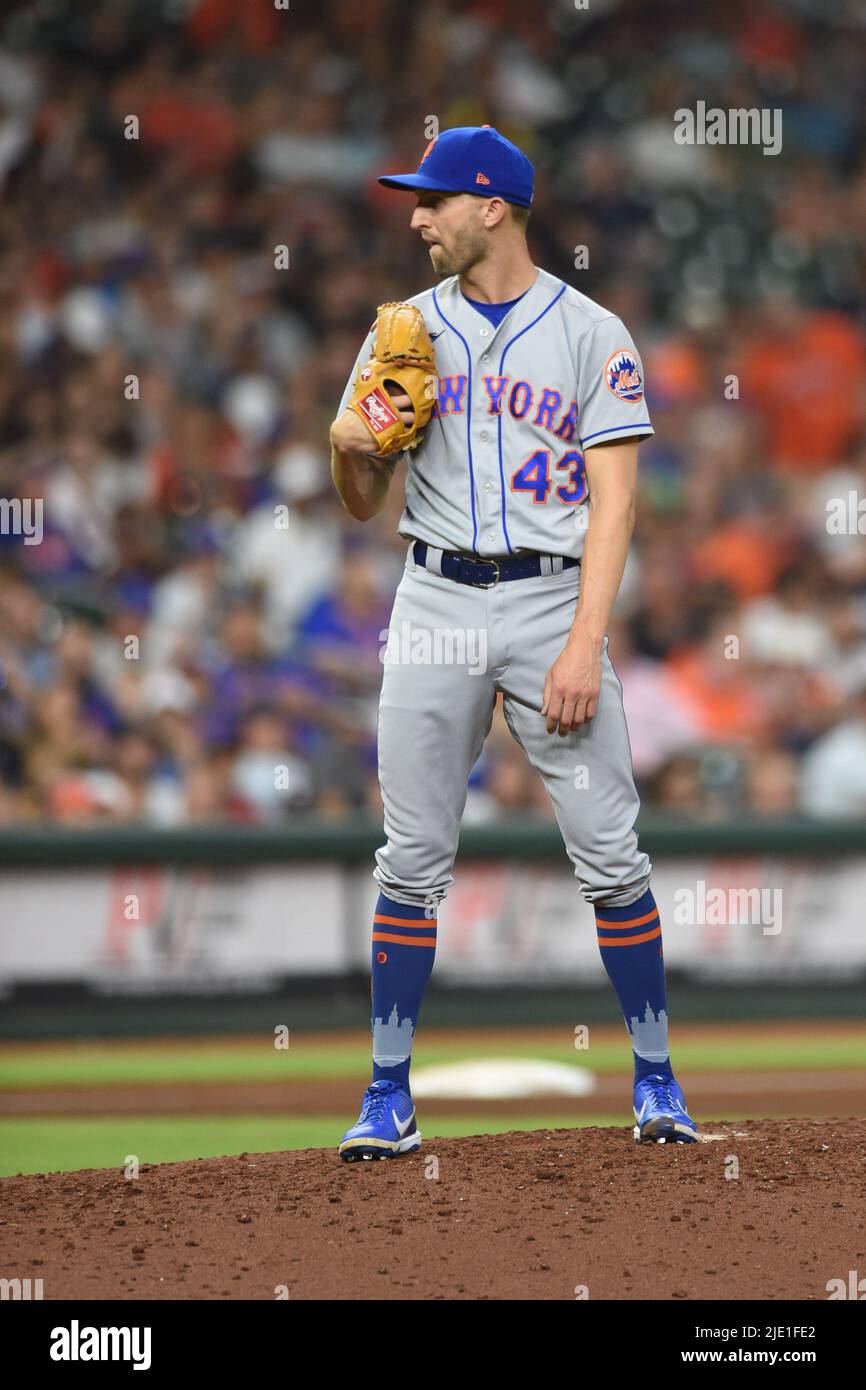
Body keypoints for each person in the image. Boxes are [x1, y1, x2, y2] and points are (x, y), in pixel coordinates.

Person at [328, 126, 697, 1159]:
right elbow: (362, 502)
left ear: (490, 205)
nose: (415, 217)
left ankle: (656, 1079)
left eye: (431, 201)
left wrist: (584, 641)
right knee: (409, 859)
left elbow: (614, 504)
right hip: (435, 597)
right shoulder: (399, 329)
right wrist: (346, 448)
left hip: (547, 602)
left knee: (610, 856)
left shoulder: (590, 332)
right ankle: (387, 1096)